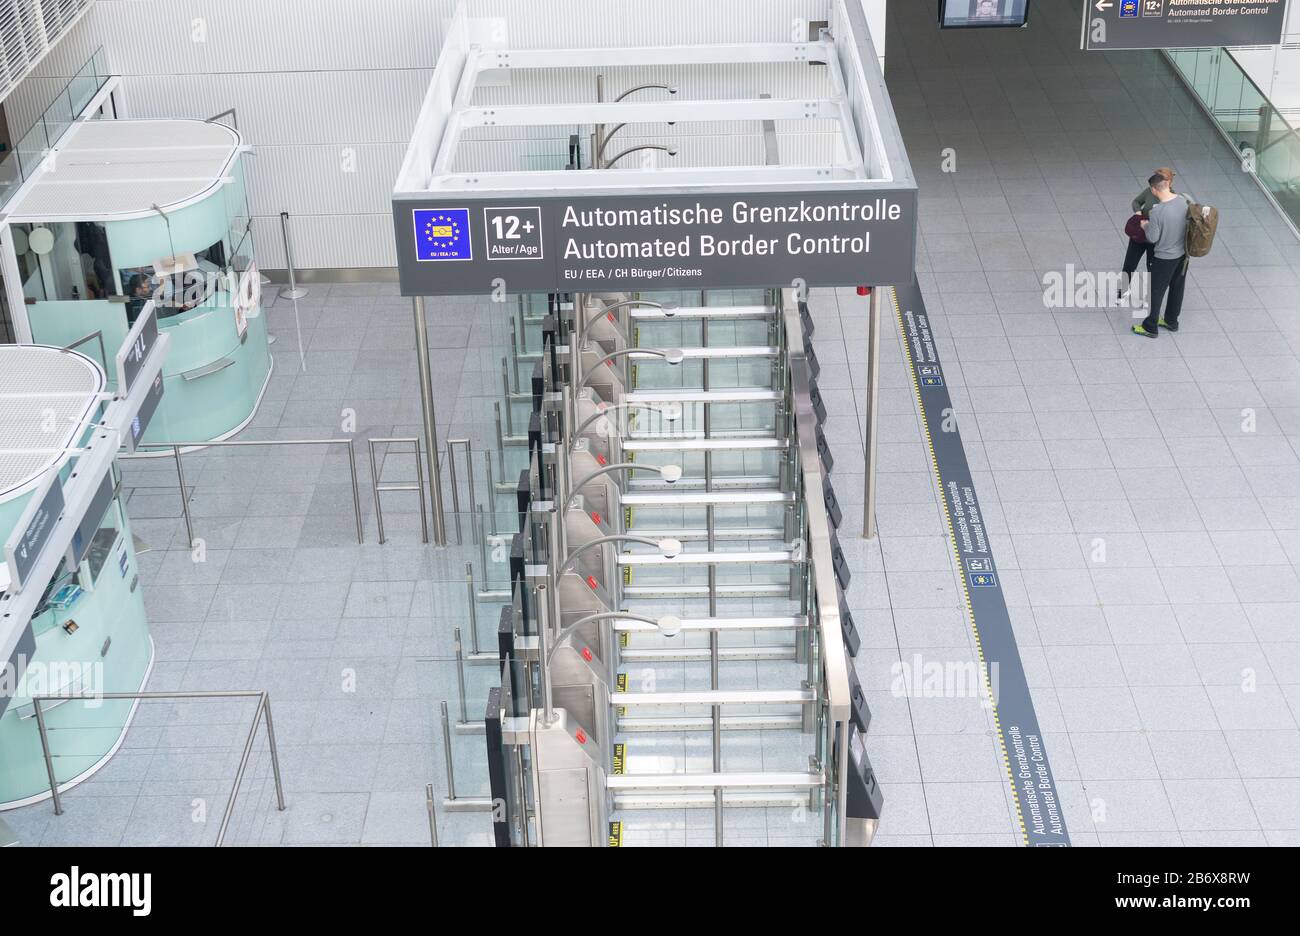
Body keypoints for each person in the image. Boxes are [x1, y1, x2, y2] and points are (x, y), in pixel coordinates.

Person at [1132, 172, 1189, 339]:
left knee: (1156, 291)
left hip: (1164, 258)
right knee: (1177, 288)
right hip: (1183, 255)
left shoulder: (1158, 212)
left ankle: (1150, 326)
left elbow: (1152, 237)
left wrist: (1145, 225)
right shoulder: (1184, 200)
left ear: (1154, 189)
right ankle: (1172, 321)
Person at [1118, 167, 1174, 301]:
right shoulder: (1149, 191)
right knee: (1129, 263)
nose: (1155, 183)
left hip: (1155, 238)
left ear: (1168, 183)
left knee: (1152, 267)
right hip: (1140, 234)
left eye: (1160, 179)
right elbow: (1136, 201)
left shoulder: (1172, 198)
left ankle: (1150, 296)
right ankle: (1123, 290)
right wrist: (1138, 213)